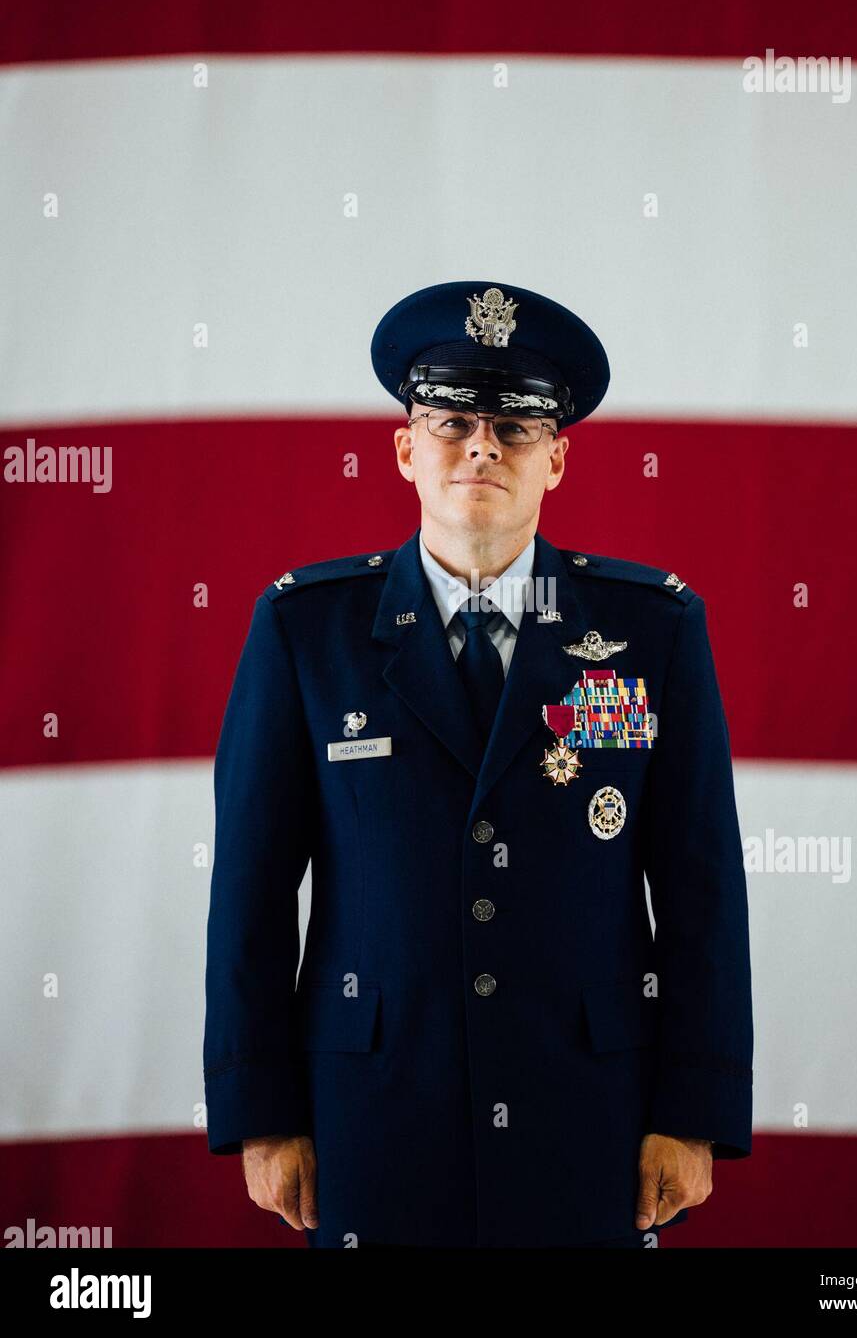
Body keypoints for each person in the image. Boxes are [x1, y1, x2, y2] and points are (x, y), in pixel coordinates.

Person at [203, 281, 753, 1248]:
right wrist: (262, 1111)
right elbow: (249, 887)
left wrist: (693, 1108)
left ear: (558, 459)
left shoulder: (651, 630)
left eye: (515, 426)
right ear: (407, 451)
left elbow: (703, 888)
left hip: (590, 1104)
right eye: (452, 421)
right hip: (370, 1103)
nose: (483, 446)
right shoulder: (306, 629)